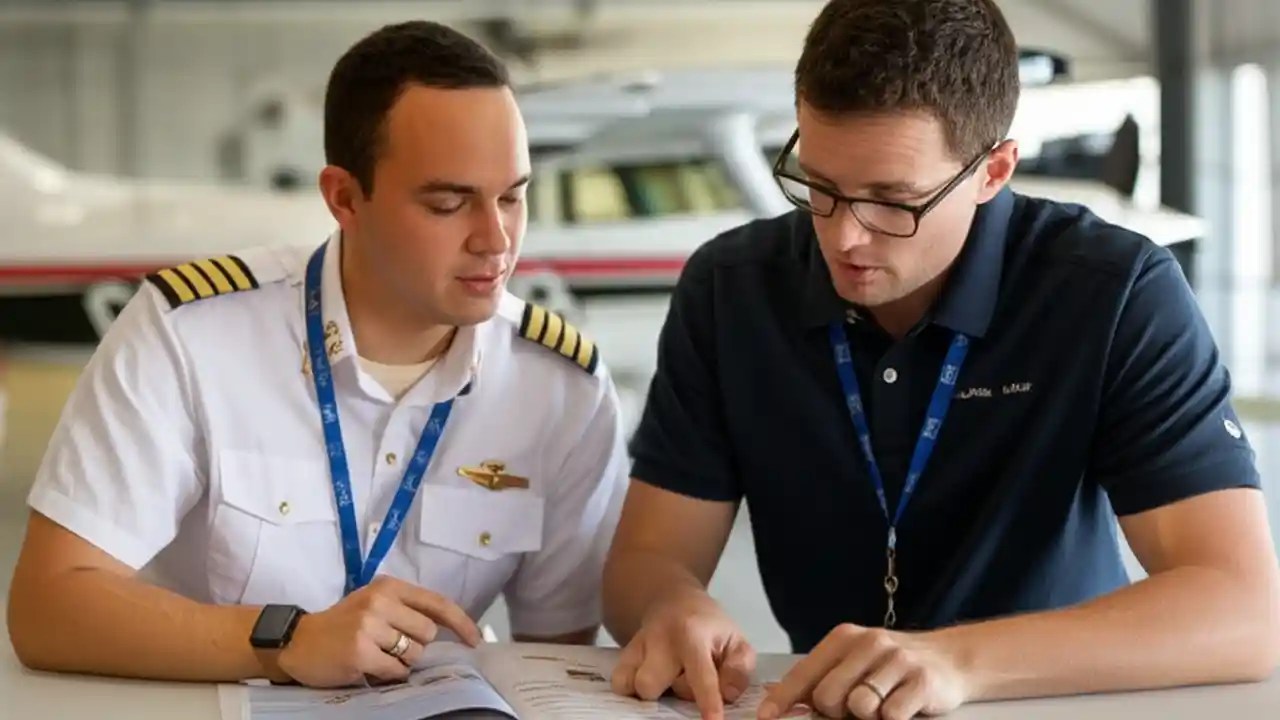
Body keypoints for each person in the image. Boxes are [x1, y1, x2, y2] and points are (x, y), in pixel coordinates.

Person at [603, 1, 1280, 719]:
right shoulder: (728, 290)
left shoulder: (1113, 294)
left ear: (994, 171)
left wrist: (954, 661)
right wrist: (672, 605)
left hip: (1056, 704)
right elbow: (646, 560)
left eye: (894, 202)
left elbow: (1243, 608)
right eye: (820, 187)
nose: (845, 238)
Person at [7, 20, 628, 688]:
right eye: (449, 203)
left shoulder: (561, 386)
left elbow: (560, 659)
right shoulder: (191, 336)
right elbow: (49, 606)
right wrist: (285, 641)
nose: (496, 240)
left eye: (512, 196)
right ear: (343, 198)